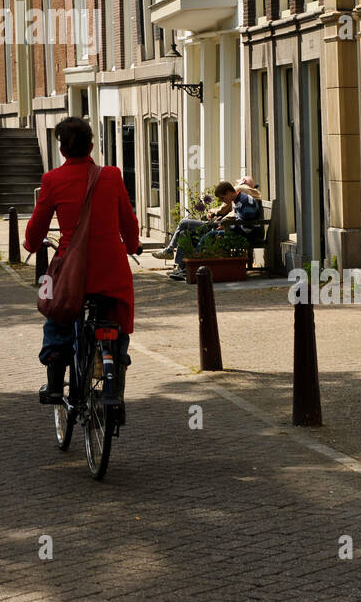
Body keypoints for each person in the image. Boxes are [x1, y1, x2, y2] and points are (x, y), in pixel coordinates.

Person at [24, 116, 140, 406]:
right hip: (111, 271)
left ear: (62, 150)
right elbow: (129, 223)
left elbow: (36, 230)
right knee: (116, 324)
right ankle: (114, 372)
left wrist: (31, 244)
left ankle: (53, 384)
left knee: (55, 311)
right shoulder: (112, 176)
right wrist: (133, 245)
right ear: (91, 146)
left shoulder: (52, 180)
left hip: (71, 272)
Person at [153, 180, 262, 281]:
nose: (223, 201)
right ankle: (182, 269)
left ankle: (186, 266)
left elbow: (247, 227)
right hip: (228, 227)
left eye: (223, 198)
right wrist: (223, 222)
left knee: (206, 235)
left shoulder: (244, 201)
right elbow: (239, 219)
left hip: (244, 234)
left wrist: (227, 227)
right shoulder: (237, 200)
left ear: (229, 192)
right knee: (184, 233)